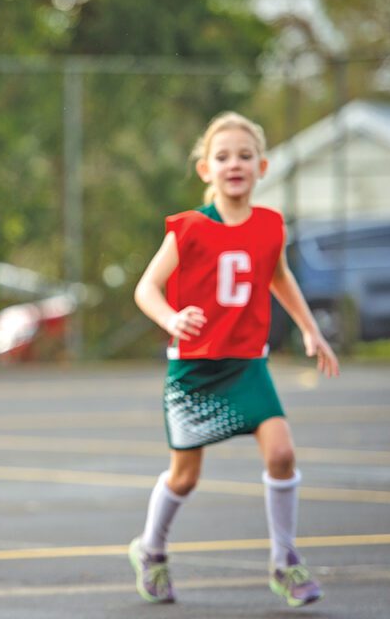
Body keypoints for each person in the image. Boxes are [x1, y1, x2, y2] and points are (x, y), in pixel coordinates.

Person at [129, 111, 340, 608]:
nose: (234, 164)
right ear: (206, 170)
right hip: (195, 370)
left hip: (247, 364)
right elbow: (147, 287)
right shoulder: (190, 229)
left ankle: (285, 562)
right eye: (223, 156)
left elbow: (279, 278)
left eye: (245, 155)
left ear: (262, 166)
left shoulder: (270, 226)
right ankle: (151, 551)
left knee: (282, 453)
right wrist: (171, 318)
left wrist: (312, 331)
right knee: (185, 475)